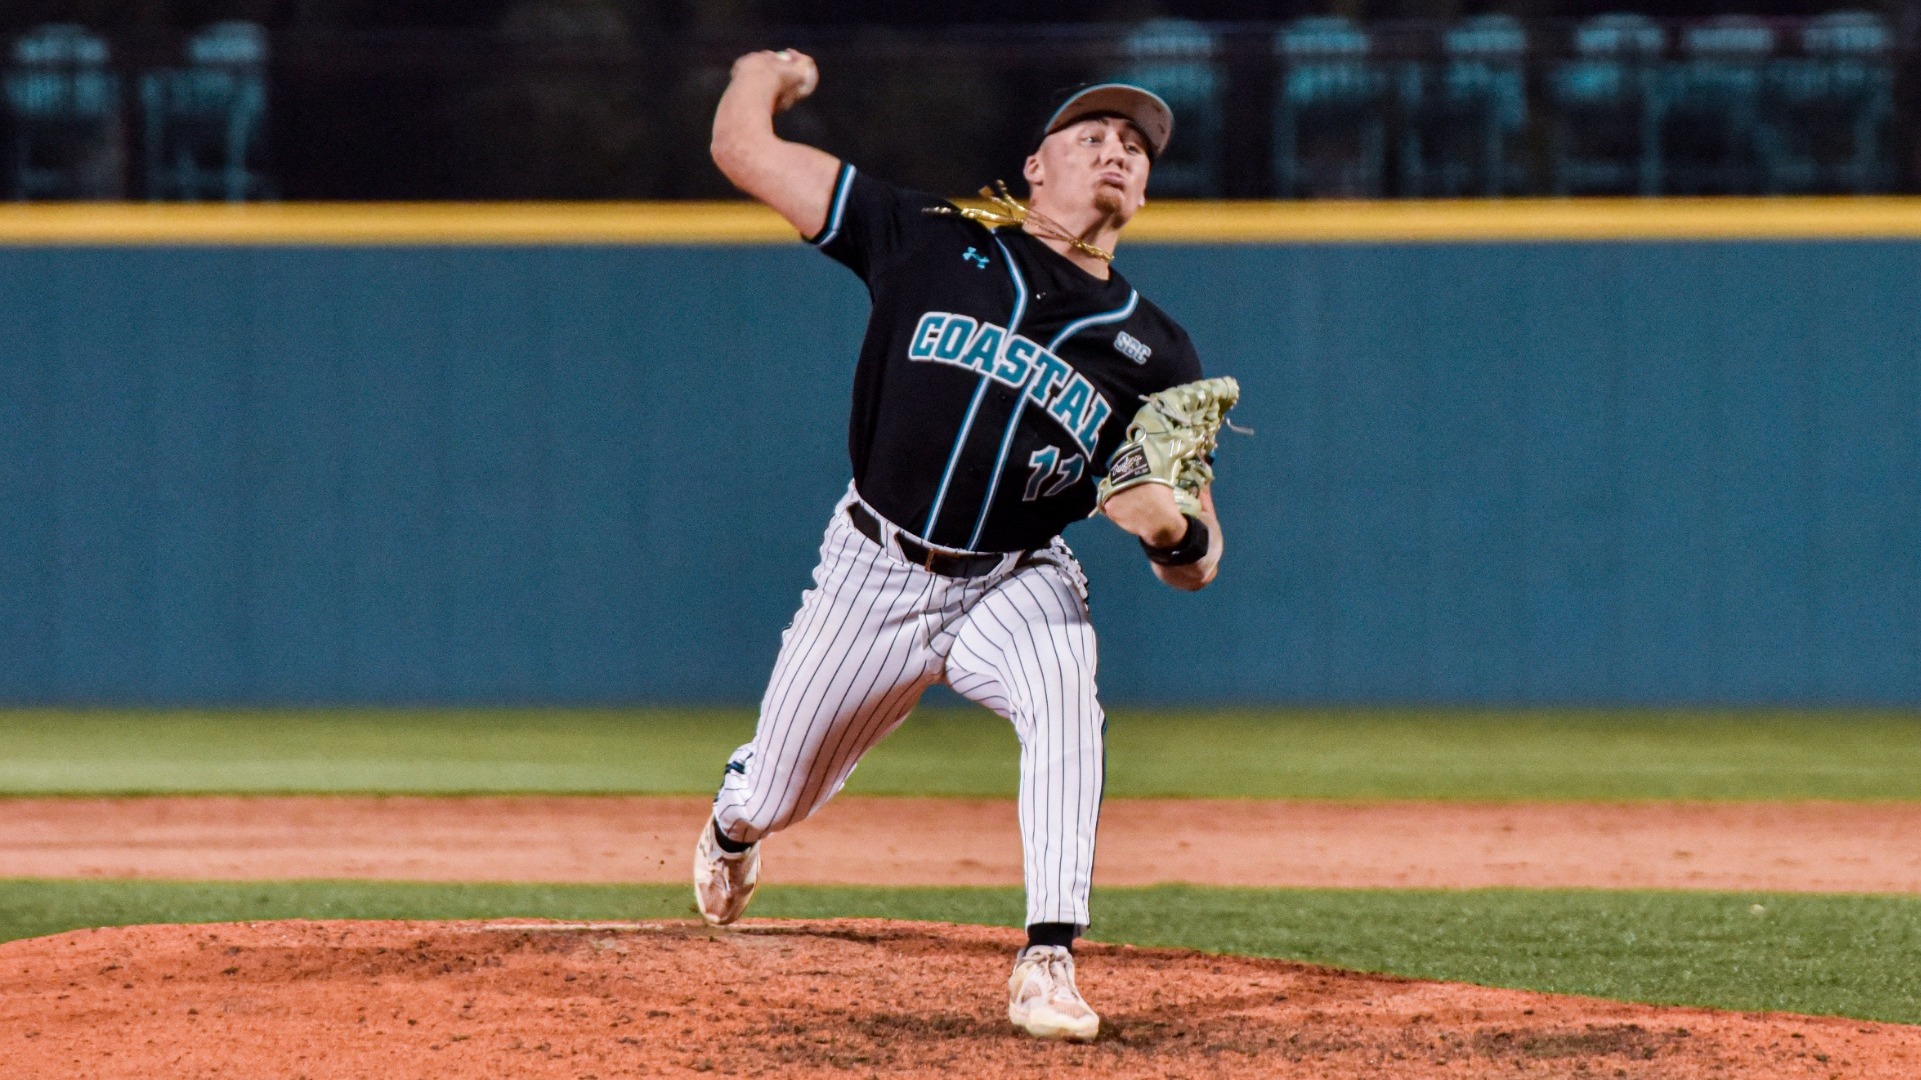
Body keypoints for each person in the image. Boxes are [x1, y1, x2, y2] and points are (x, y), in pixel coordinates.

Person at [694, 49, 1225, 1043]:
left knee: (1067, 684)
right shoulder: (929, 237)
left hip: (1015, 575)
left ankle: (1049, 959)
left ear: (1145, 190)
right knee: (778, 792)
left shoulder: (1159, 354)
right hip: (873, 572)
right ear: (1035, 166)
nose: (1115, 151)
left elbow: (1196, 558)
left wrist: (1174, 529)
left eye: (1134, 147)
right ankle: (734, 820)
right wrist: (760, 74)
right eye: (1092, 135)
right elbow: (740, 148)